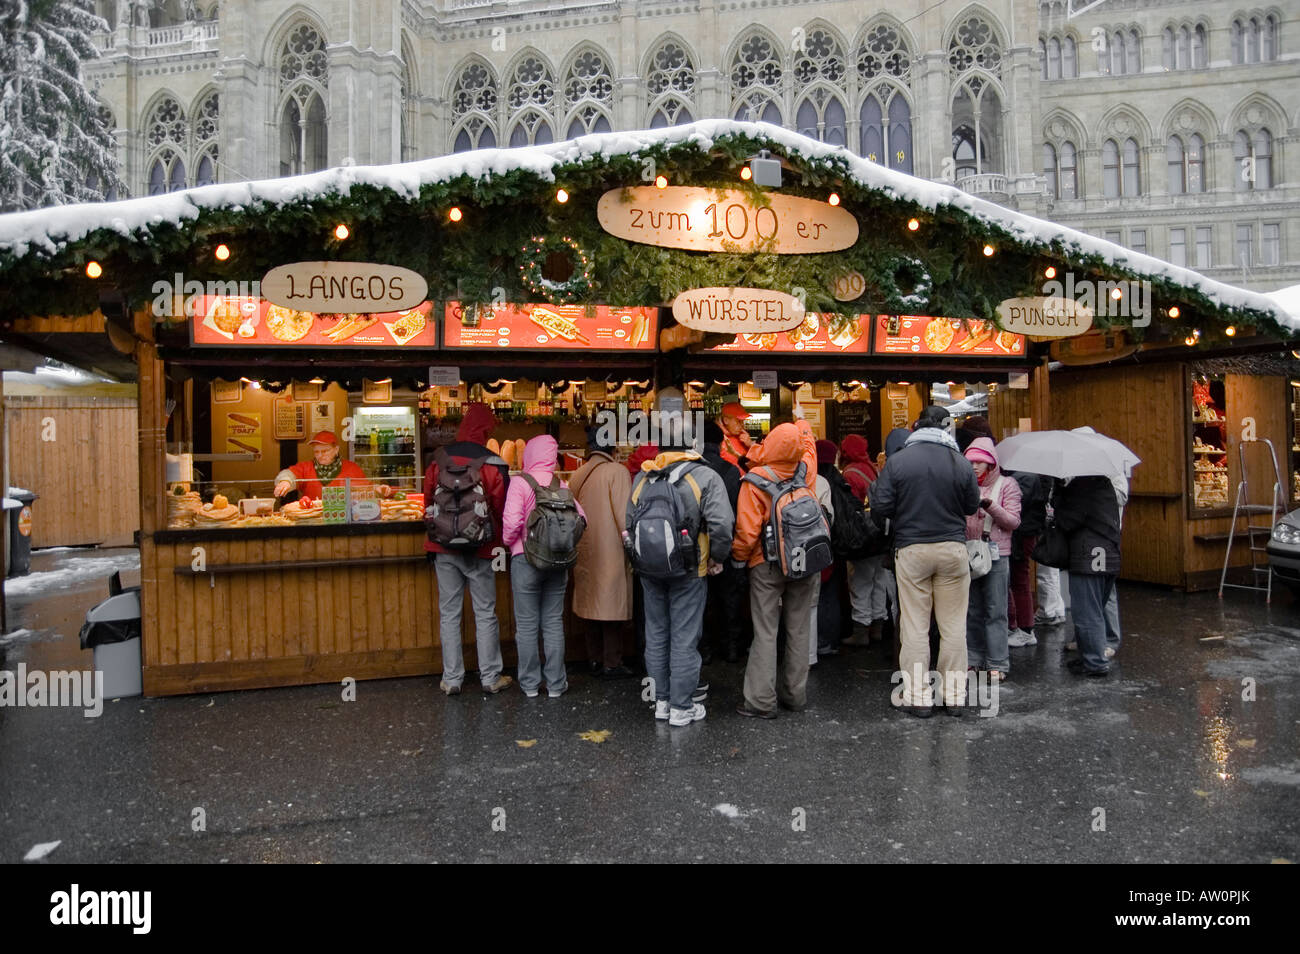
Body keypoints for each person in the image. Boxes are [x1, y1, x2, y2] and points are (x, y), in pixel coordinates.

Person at [627, 395, 735, 727]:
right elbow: (722, 526)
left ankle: (660, 701)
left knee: (657, 633)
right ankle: (682, 706)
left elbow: (629, 524)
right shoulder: (705, 477)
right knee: (686, 636)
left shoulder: (643, 477)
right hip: (690, 569)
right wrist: (717, 558)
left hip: (649, 569)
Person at [868, 406, 980, 717]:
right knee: (954, 626)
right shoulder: (960, 461)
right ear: (946, 428)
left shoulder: (899, 460)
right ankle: (954, 696)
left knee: (915, 626)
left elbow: (881, 505)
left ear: (917, 426)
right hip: (953, 549)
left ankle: (918, 697)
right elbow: (971, 505)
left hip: (912, 548)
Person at [423, 402, 513, 696]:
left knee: (449, 613)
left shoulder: (438, 460)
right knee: (485, 611)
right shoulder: (494, 463)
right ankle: (490, 677)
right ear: (486, 429)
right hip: (482, 548)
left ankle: (452, 679)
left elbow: (427, 502)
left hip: (443, 546)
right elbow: (502, 508)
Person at [732, 418, 821, 718]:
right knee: (799, 629)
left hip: (766, 565)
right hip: (804, 559)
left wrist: (738, 558)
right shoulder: (806, 470)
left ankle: (760, 701)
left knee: (766, 632)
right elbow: (807, 443)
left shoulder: (754, 481)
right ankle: (795, 696)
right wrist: (801, 424)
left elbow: (746, 533)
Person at [502, 434, 585, 698]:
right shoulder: (560, 484)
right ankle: (556, 685)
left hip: (525, 560)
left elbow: (512, 522)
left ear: (529, 455)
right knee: (552, 622)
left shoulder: (519, 482)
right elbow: (583, 519)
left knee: (526, 625)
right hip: (558, 562)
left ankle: (529, 685)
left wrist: (510, 543)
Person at [569, 426, 634, 677]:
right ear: (612, 446)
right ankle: (612, 662)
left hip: (584, 547)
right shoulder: (617, 471)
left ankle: (593, 658)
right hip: (611, 550)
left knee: (590, 604)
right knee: (611, 606)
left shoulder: (578, 474)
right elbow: (623, 516)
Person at [963, 438, 1021, 682]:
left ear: (991, 464)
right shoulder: (964, 486)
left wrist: (990, 506)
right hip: (968, 552)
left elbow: (1012, 522)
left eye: (980, 462)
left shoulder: (1008, 485)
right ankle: (973, 660)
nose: (975, 466)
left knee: (996, 611)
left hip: (997, 554)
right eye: (971, 461)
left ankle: (997, 663)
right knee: (972, 610)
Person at [1053, 475, 1121, 677]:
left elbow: (1067, 520)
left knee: (1086, 613)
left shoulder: (1081, 486)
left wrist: (1059, 497)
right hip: (1109, 555)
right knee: (1096, 610)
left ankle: (1095, 663)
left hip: (1087, 556)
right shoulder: (1105, 485)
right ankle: (1089, 657)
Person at [700, 420, 746, 662]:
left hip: (698, 545)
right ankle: (732, 647)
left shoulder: (692, 470)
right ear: (720, 444)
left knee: (703, 600)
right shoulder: (731, 471)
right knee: (730, 597)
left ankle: (706, 649)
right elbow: (740, 510)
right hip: (727, 542)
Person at [839, 434, 884, 647]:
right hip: (878, 535)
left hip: (863, 537)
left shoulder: (849, 473)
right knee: (878, 581)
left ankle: (861, 629)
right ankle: (878, 627)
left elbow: (851, 506)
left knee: (860, 582)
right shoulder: (871, 467)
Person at [1006, 467, 1048, 647]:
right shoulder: (1029, 476)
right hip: (1025, 533)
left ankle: (1025, 629)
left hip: (1022, 535)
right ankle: (1020, 626)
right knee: (1018, 580)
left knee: (1019, 580)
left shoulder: (1024, 478)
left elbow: (1016, 506)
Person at [813, 439, 844, 658]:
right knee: (829, 594)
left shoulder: (815, 479)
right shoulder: (835, 479)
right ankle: (829, 640)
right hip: (831, 544)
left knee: (811, 600)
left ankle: (811, 646)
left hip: (806, 548)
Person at [273, 430, 368, 501]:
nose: (320, 455)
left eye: (324, 451)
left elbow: (367, 491)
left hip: (342, 517)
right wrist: (285, 481)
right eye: (316, 451)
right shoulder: (306, 467)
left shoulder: (352, 468)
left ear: (336, 450)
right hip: (312, 519)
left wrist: (378, 489)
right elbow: (289, 473)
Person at [717, 402, 754, 471]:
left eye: (743, 421)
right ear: (726, 420)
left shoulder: (743, 438)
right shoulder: (717, 439)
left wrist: (750, 445)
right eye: (739, 421)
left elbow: (754, 464)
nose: (742, 425)